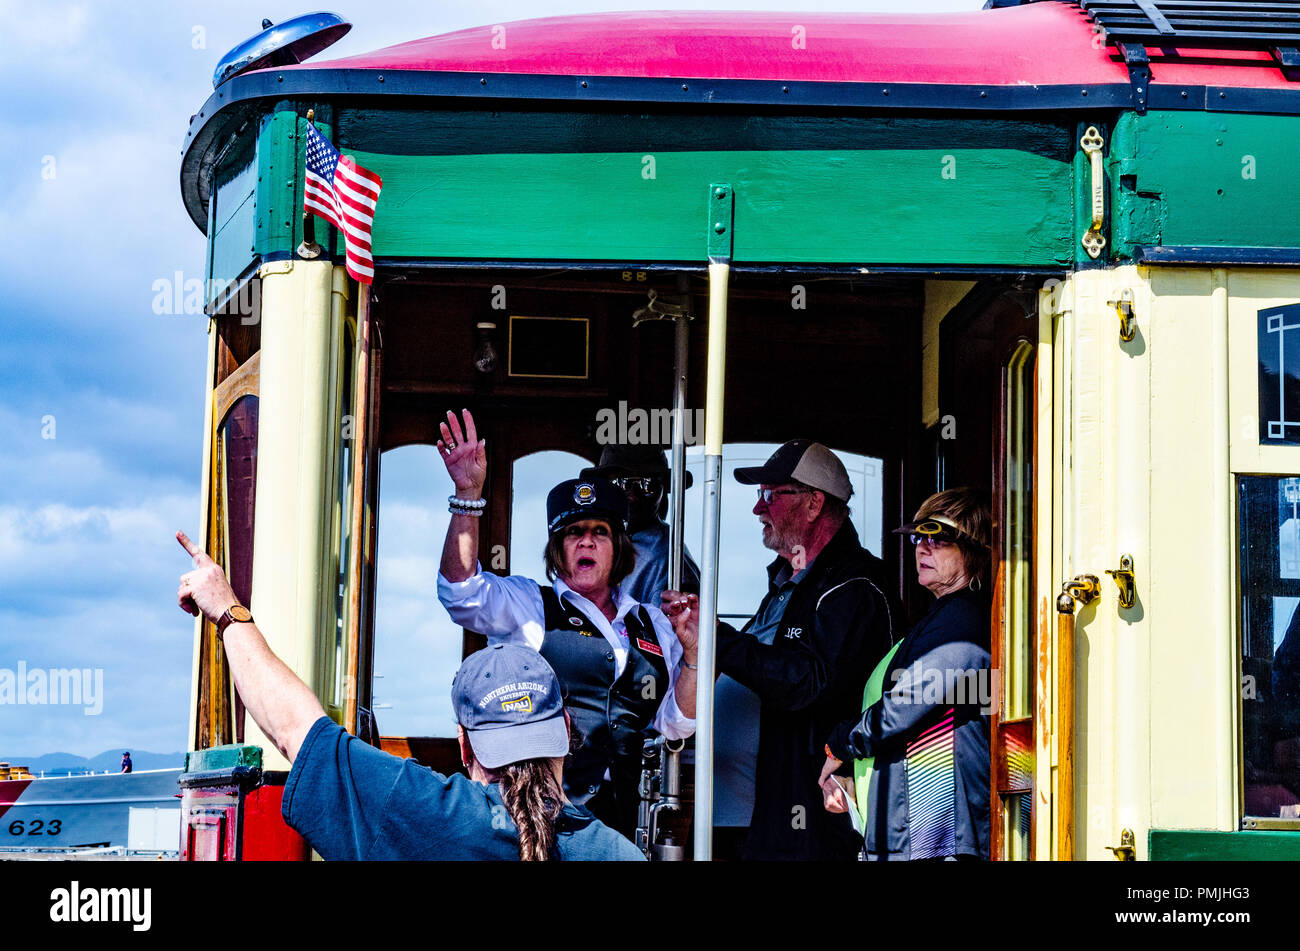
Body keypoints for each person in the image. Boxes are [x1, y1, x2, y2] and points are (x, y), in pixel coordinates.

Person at [174, 530, 643, 861]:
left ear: (465, 745)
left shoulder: (426, 814)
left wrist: (227, 613)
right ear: (564, 733)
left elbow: (293, 729)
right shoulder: (618, 853)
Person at [434, 410, 697, 839]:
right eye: (574, 532)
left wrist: (695, 655)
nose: (587, 540)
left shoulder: (651, 623)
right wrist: (467, 495)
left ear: (620, 548)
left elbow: (675, 724)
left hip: (625, 826)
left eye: (600, 531)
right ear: (558, 549)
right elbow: (460, 592)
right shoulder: (530, 606)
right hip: (541, 825)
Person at [664, 439, 899, 860]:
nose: (759, 509)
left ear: (813, 504)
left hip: (805, 826)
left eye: (771, 495)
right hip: (746, 820)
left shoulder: (854, 588)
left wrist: (718, 638)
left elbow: (808, 683)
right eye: (760, 495)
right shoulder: (789, 584)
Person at [819, 487, 993, 861]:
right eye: (919, 537)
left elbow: (904, 707)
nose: (922, 548)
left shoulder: (963, 620)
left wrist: (840, 744)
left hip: (935, 836)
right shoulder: (941, 617)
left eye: (940, 539)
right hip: (910, 833)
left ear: (974, 552)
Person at [580, 444, 701, 605]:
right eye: (622, 484)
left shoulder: (669, 556)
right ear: (605, 489)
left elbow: (678, 625)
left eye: (647, 485)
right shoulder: (588, 544)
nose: (634, 496)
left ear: (662, 492)